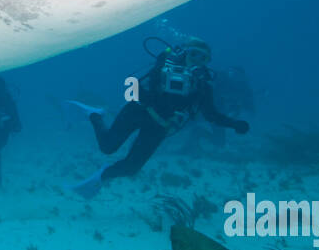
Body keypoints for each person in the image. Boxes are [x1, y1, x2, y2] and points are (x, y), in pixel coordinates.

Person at [69, 38, 248, 198]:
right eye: (194, 54)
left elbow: (211, 115)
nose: (197, 61)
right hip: (137, 112)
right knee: (107, 147)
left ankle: (101, 176)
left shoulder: (202, 85)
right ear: (185, 53)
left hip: (160, 126)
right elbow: (134, 88)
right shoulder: (163, 67)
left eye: (203, 58)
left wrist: (234, 124)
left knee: (131, 168)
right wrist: (158, 75)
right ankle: (95, 115)